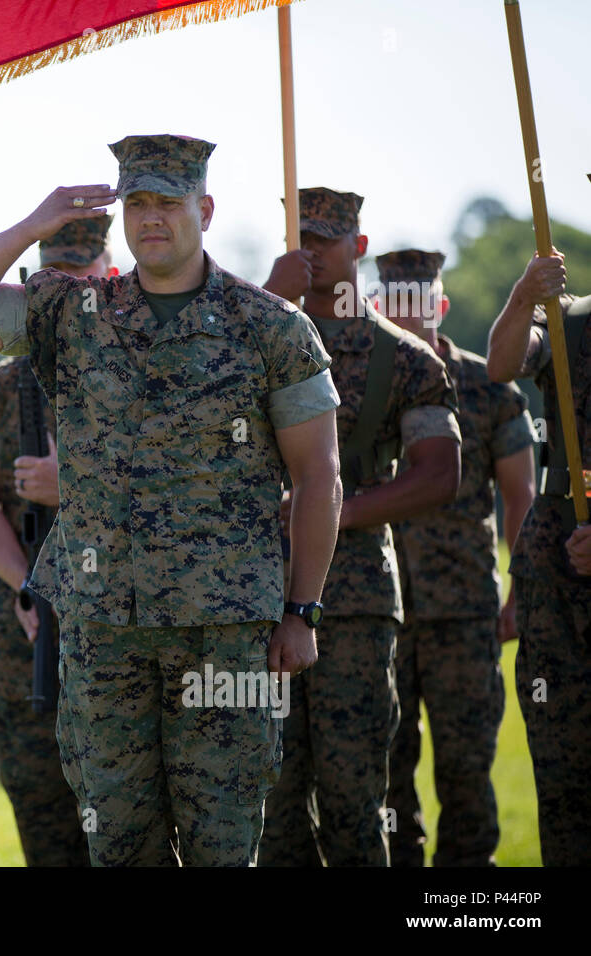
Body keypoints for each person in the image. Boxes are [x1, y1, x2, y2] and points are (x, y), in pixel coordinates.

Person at [0, 134, 344, 866]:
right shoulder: (73, 312)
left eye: (169, 202)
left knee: (222, 842)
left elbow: (319, 478)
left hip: (223, 633)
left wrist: (302, 610)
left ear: (203, 209)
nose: (152, 218)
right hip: (101, 633)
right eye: (137, 203)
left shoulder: (273, 327)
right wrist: (30, 228)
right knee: (117, 843)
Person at [259, 190, 461, 866]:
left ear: (359, 248)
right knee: (272, 805)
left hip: (356, 601)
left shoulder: (403, 358)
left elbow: (439, 473)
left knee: (354, 803)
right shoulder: (256, 334)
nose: (310, 251)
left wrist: (335, 510)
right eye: (300, 238)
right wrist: (269, 300)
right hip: (255, 596)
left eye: (325, 239)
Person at [0, 216, 115, 867]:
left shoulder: (149, 378)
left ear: (111, 276)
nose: (74, 292)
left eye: (86, 277)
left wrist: (69, 484)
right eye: (59, 279)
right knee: (40, 801)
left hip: (123, 626)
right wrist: (26, 579)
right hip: (31, 625)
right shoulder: (1, 386)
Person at [373, 249, 535, 867]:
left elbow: (520, 495)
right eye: (397, 306)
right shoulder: (361, 381)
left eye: (421, 306)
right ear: (379, 307)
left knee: (467, 774)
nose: (411, 319)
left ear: (439, 306)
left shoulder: (490, 387)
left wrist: (518, 593)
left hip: (466, 612)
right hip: (379, 611)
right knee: (387, 780)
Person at [485, 248, 591, 865]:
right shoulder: (566, 321)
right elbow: (501, 364)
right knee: (562, 771)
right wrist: (524, 293)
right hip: (558, 576)